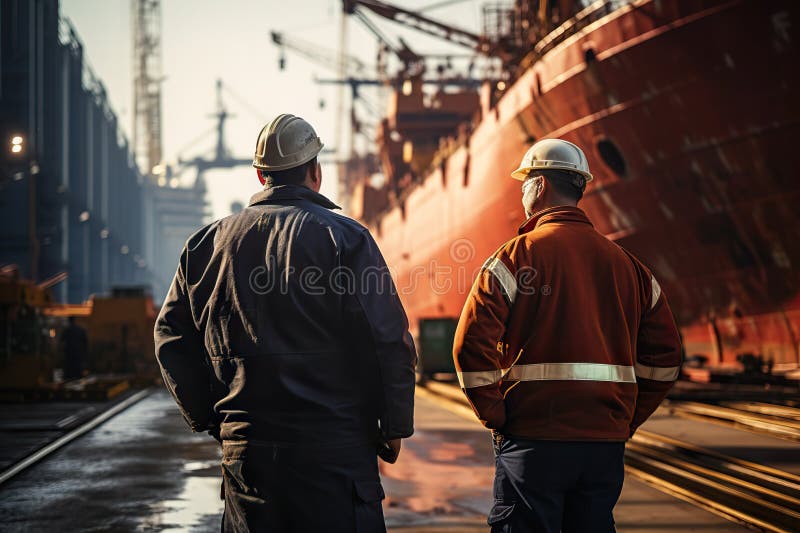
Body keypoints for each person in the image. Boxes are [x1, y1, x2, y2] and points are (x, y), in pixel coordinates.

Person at [154, 114, 417, 533]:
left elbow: (170, 339)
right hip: (335, 455)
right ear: (316, 171)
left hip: (247, 457)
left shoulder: (204, 247)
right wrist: (395, 422)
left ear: (260, 175)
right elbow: (386, 338)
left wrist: (212, 418)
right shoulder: (345, 239)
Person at [452, 139, 682, 532]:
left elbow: (470, 346)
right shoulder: (631, 267)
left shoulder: (514, 258)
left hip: (533, 440)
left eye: (524, 182)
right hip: (604, 445)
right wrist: (625, 418)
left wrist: (496, 414)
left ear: (540, 186)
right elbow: (666, 357)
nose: (522, 191)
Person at [62, 316, 88, 380]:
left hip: (69, 354)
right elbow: (85, 342)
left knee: (70, 371)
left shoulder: (67, 330)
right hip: (78, 353)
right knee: (78, 370)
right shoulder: (80, 330)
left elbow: (61, 341)